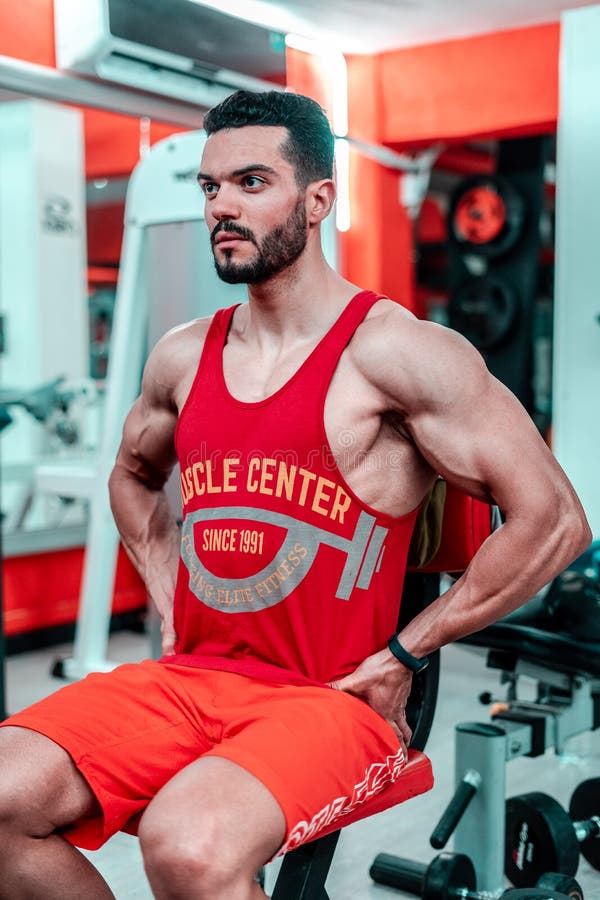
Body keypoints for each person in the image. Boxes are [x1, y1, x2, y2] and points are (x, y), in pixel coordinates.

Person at [0, 89, 590, 900]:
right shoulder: (181, 358)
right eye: (210, 188)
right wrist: (169, 588)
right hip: (191, 675)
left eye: (251, 182)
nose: (222, 207)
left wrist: (409, 652)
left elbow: (555, 519)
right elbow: (133, 476)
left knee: (188, 847)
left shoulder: (398, 353)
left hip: (334, 697)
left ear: (318, 200)